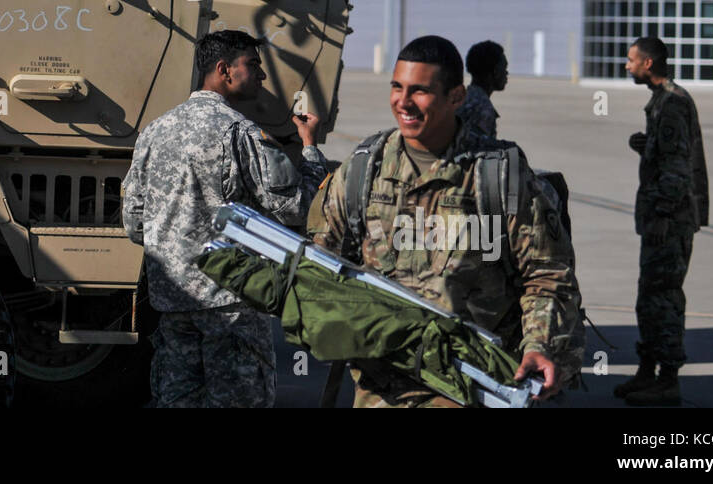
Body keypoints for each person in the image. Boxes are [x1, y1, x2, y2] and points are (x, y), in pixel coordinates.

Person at [312, 35, 581, 407]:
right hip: (381, 392)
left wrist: (539, 345)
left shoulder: (499, 177)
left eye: (419, 91)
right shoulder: (362, 171)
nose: (403, 102)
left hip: (474, 388)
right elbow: (320, 267)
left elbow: (547, 274)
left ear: (456, 96)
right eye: (397, 87)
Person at [122, 29, 327, 407]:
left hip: (172, 304)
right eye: (252, 65)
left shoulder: (153, 132)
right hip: (231, 305)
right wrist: (311, 148)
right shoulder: (241, 133)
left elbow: (135, 223)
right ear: (224, 70)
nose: (262, 76)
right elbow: (297, 208)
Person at [615, 37, 708, 407]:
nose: (627, 65)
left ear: (648, 63)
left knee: (664, 299)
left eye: (631, 60)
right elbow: (669, 154)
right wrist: (647, 143)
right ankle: (646, 371)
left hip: (669, 221)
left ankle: (667, 378)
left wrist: (664, 216)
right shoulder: (662, 101)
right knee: (648, 297)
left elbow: (677, 169)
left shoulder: (672, 104)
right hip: (660, 217)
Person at [455, 40, 507, 138]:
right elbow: (480, 151)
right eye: (504, 68)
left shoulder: (465, 98)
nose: (506, 74)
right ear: (495, 72)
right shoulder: (482, 109)